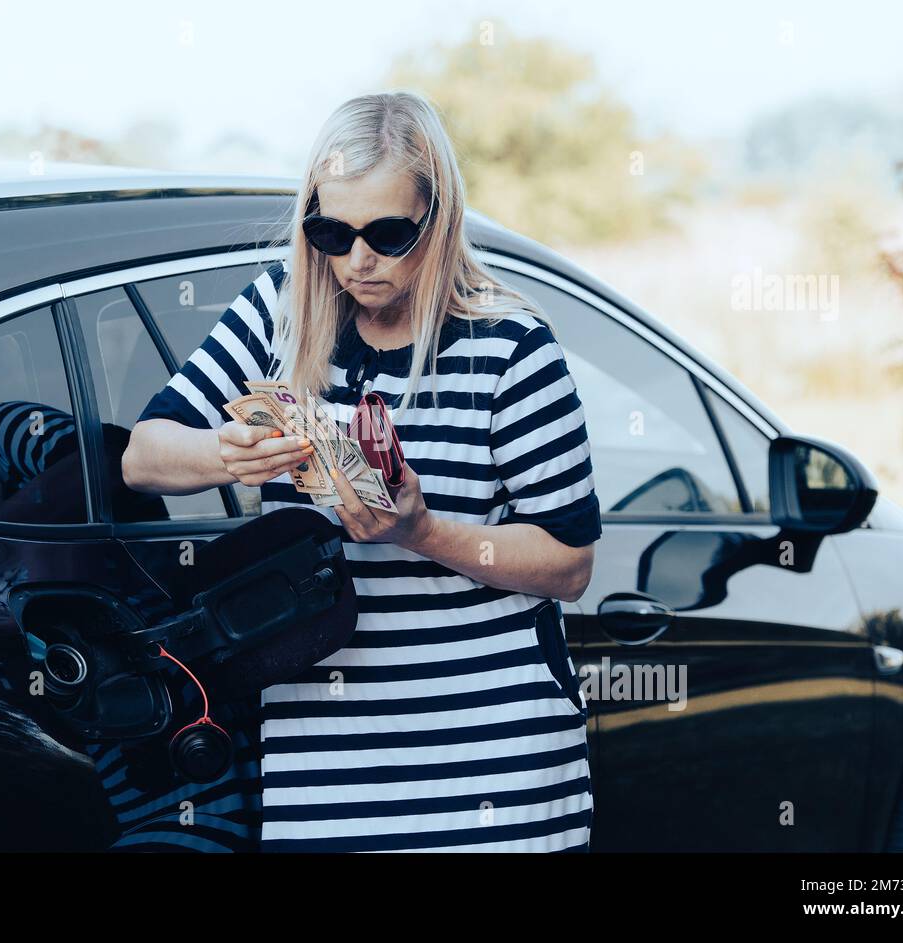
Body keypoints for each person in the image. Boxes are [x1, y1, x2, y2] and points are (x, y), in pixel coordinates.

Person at [124, 90, 602, 852]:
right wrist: (228, 451)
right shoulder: (279, 314)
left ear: (438, 218)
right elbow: (143, 455)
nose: (357, 260)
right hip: (324, 766)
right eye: (330, 232)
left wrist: (426, 532)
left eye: (386, 233)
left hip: (490, 763)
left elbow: (570, 563)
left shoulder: (511, 345)